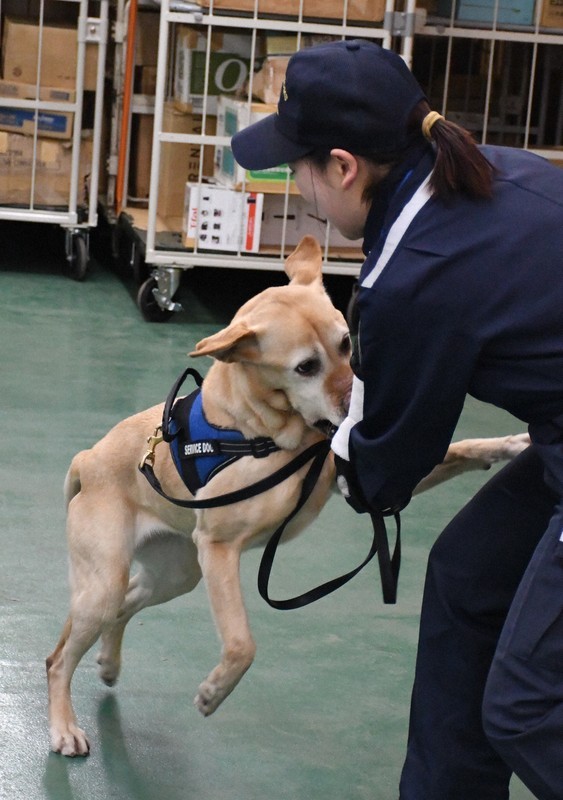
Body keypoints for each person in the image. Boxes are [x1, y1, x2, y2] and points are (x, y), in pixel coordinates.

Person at [230, 38, 563, 800]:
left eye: (299, 167)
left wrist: (329, 455)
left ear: (343, 167)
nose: (299, 189)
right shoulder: (488, 176)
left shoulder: (414, 280)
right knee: (466, 575)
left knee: (528, 707)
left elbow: (383, 470)